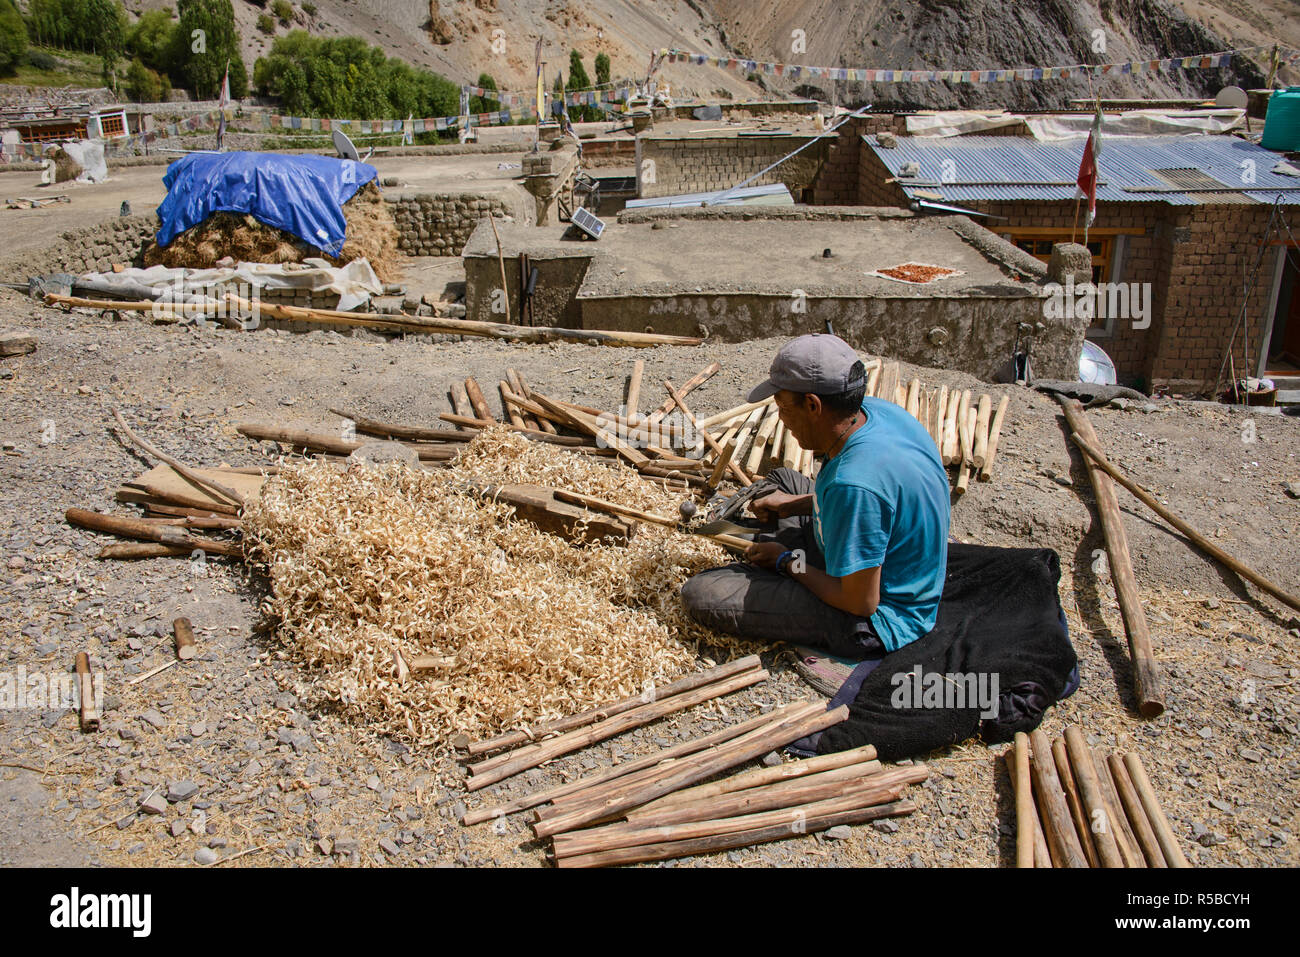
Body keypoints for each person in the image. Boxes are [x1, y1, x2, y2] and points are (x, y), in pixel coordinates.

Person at [681, 334, 950, 660]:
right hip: (866, 541)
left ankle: (775, 561)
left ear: (813, 405)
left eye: (782, 407)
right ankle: (771, 542)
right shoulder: (879, 414)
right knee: (781, 480)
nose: (781, 419)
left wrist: (786, 562)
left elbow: (861, 602)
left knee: (701, 593)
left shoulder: (854, 485)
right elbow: (876, 501)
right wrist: (792, 503)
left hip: (875, 615)